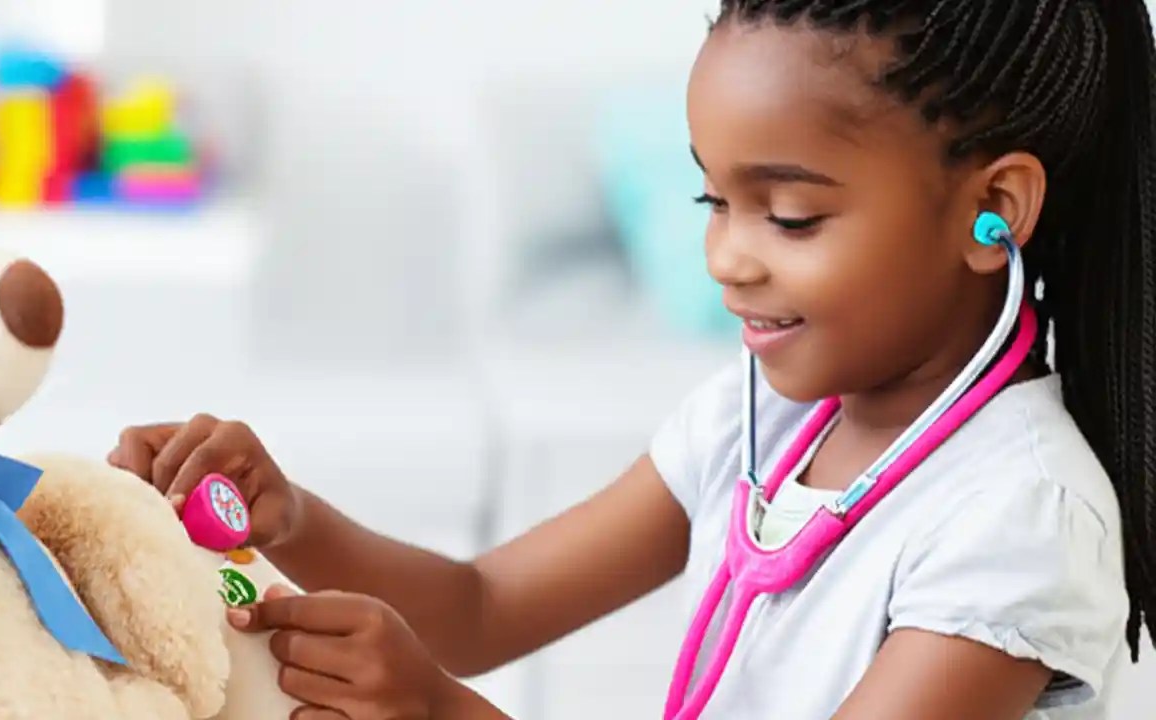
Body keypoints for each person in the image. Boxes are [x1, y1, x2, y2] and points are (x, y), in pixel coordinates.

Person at [109, 1, 1156, 718]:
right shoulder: (761, 422)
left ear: (991, 210)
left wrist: (440, 708)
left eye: (789, 217)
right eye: (713, 200)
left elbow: (452, 664)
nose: (725, 258)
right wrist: (289, 515)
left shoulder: (1015, 521)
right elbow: (477, 607)